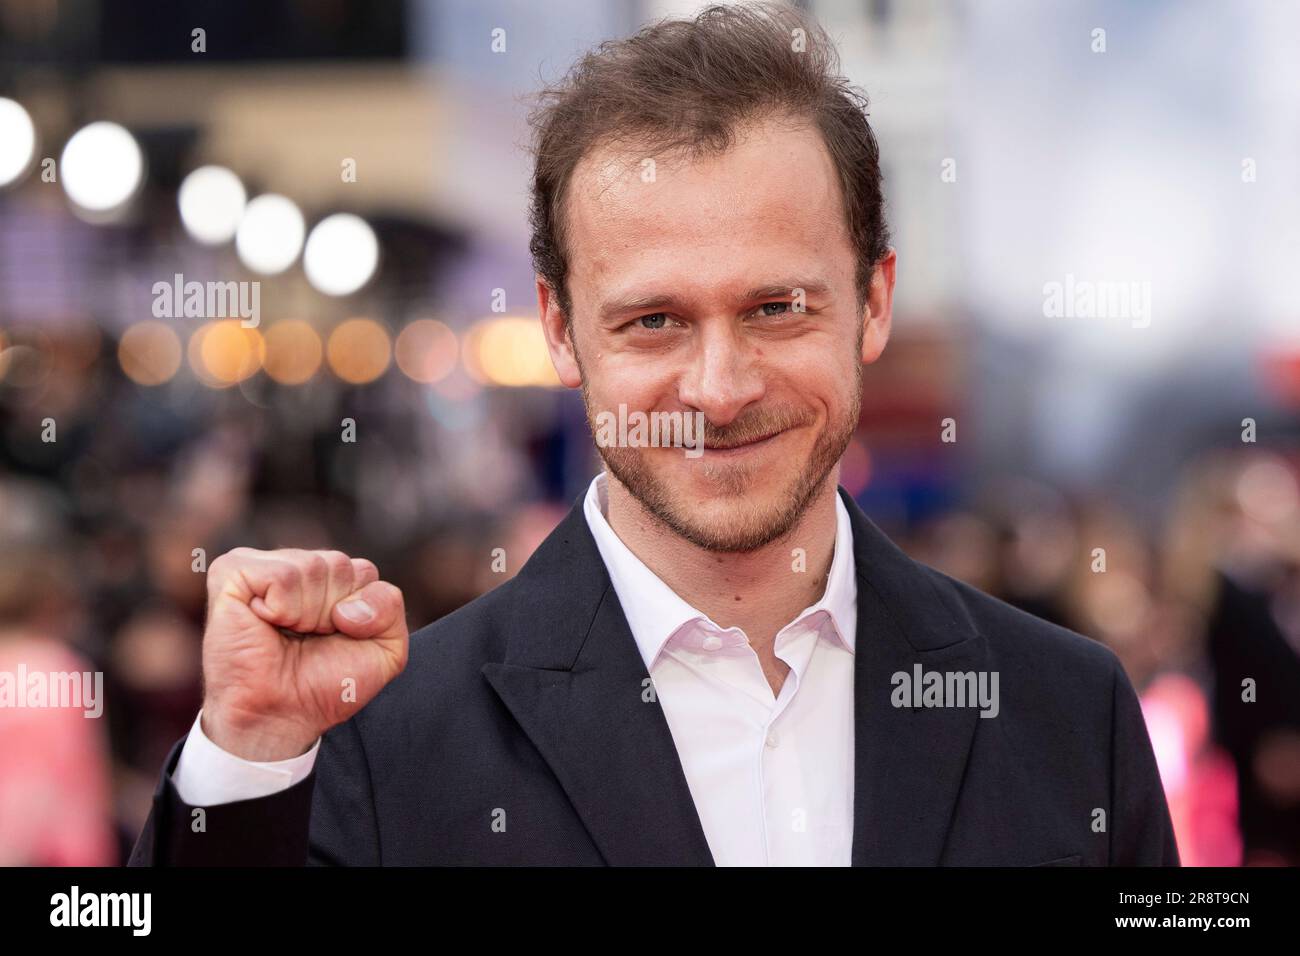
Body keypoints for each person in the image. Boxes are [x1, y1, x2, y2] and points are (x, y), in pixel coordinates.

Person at [130, 2, 1178, 867]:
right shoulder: (375, 740)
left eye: (776, 308)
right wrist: (249, 758)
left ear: (873, 301)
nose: (718, 390)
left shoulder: (1066, 712)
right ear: (559, 327)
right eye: (654, 321)